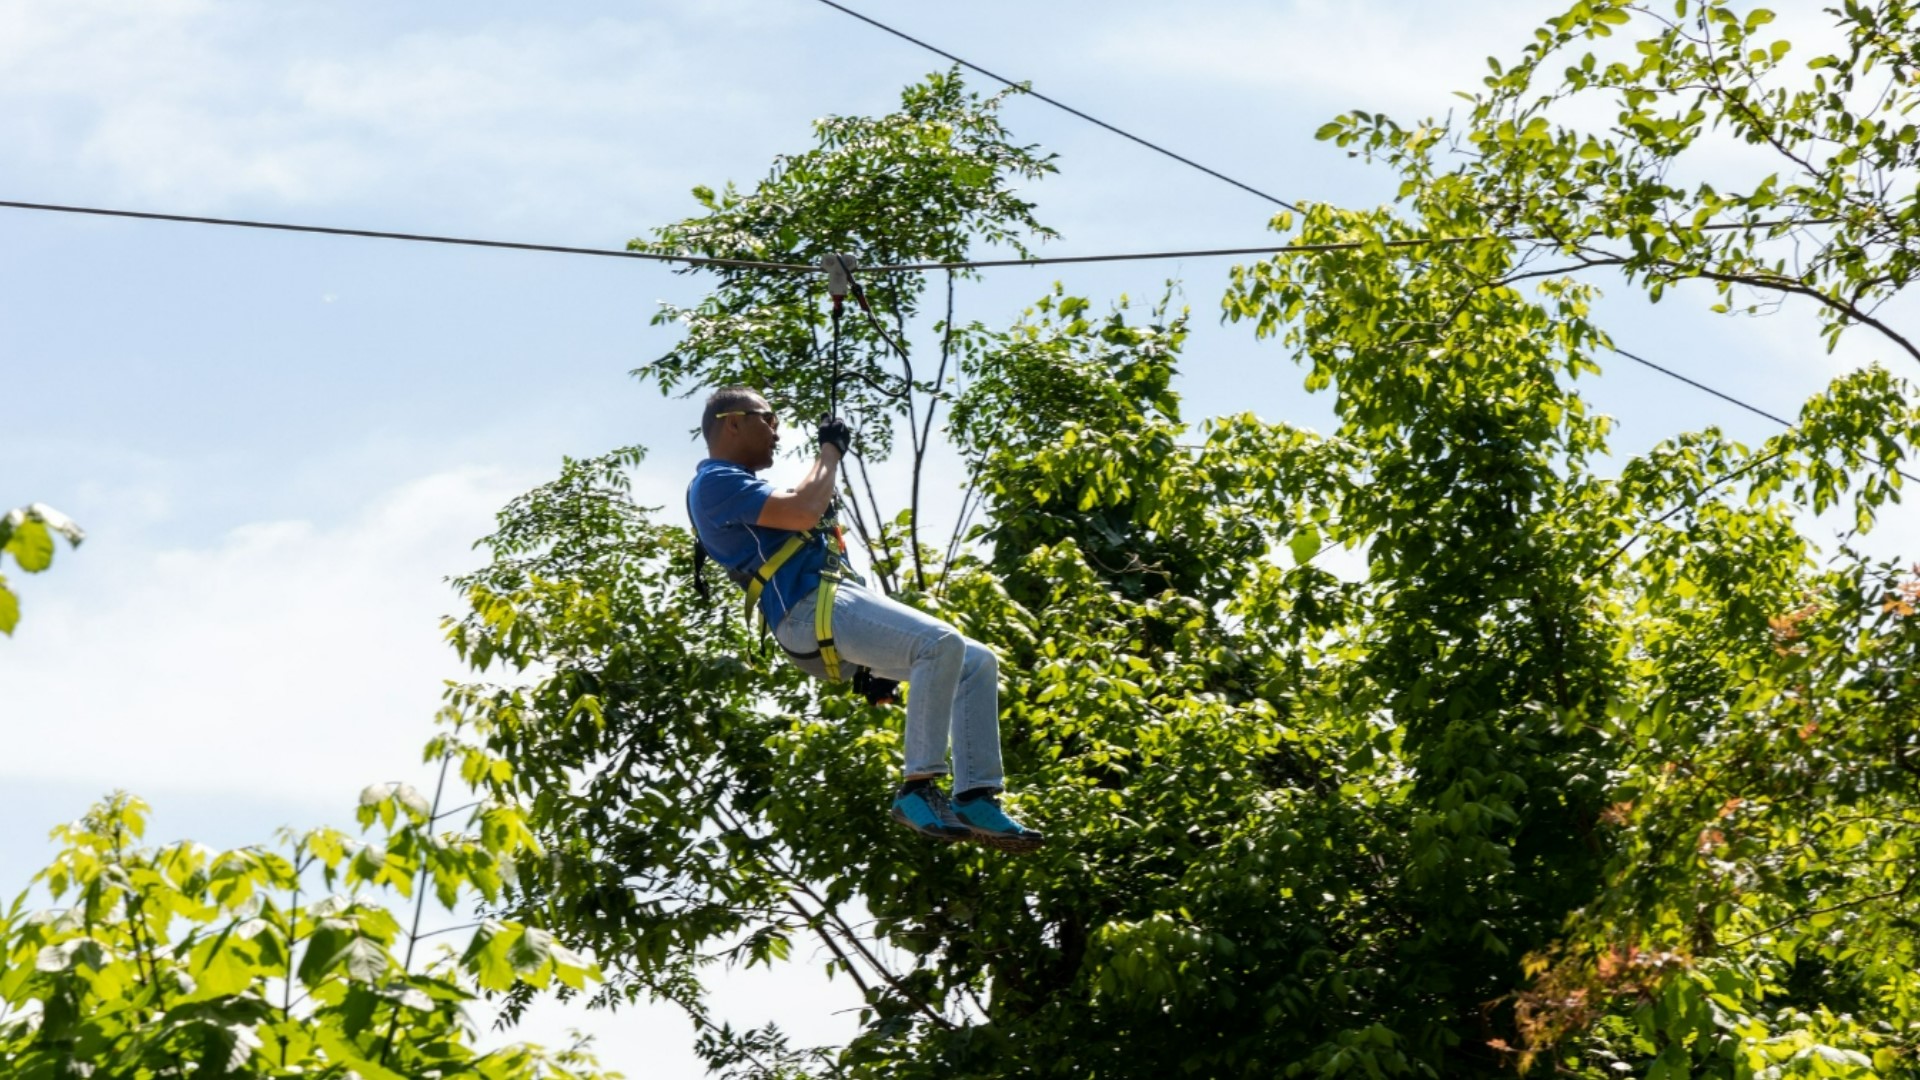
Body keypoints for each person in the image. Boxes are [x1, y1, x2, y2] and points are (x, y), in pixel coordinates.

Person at [686, 385, 1044, 853]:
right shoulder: (714, 481)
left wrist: (876, 661)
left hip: (831, 605)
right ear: (732, 422)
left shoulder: (741, 487)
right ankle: (918, 787)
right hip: (806, 610)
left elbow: (807, 513)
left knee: (974, 661)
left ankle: (976, 796)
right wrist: (829, 450)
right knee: (940, 643)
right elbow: (802, 507)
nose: (776, 431)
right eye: (768, 419)